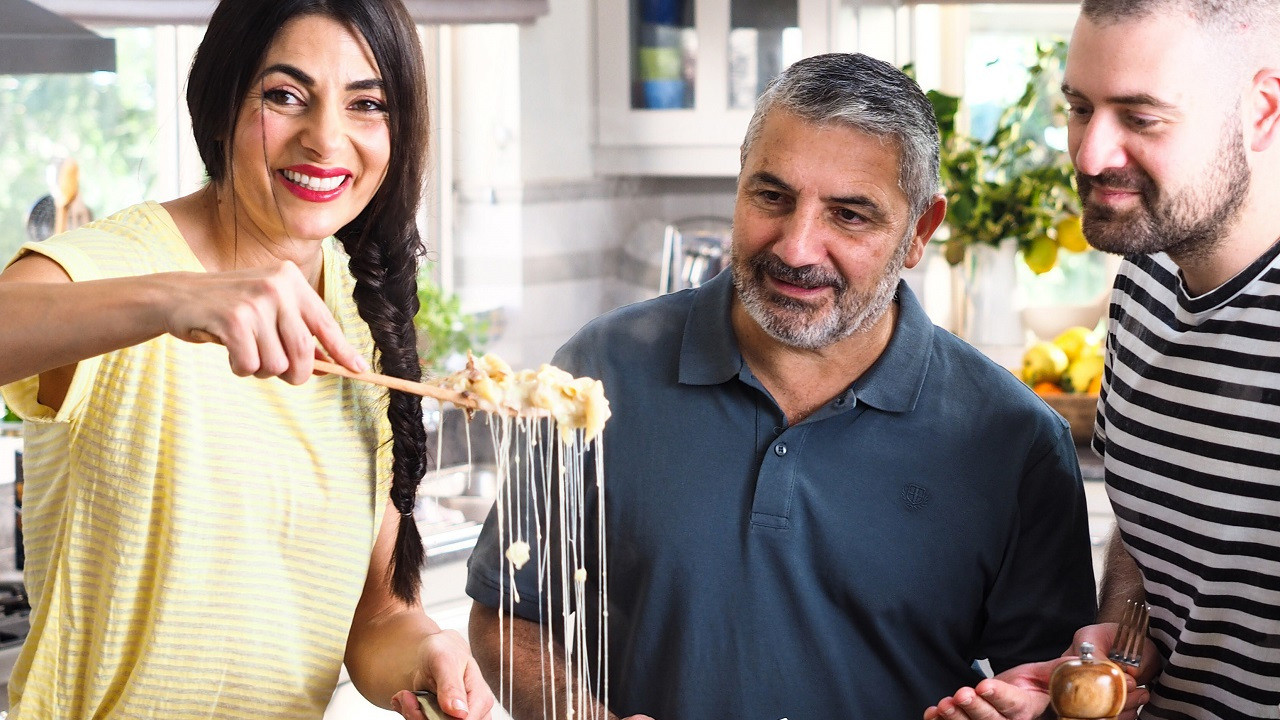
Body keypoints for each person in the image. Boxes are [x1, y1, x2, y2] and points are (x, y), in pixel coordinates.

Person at [464, 52, 1097, 719]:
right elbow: (509, 613)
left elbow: (1053, 688)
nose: (796, 248)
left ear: (920, 232)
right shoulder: (600, 372)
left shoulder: (1017, 441)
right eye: (772, 196)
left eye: (849, 215)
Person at [0, 0, 495, 718]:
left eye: (367, 104)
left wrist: (429, 652)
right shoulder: (124, 264)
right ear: (223, 100)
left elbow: (377, 618)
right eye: (285, 95)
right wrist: (177, 299)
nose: (326, 140)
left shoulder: (360, 325)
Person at [926, 2, 1280, 719]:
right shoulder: (1143, 281)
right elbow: (1158, 523)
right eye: (1081, 108)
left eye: (1141, 117)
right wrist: (1111, 663)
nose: (1089, 155)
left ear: (1262, 110)